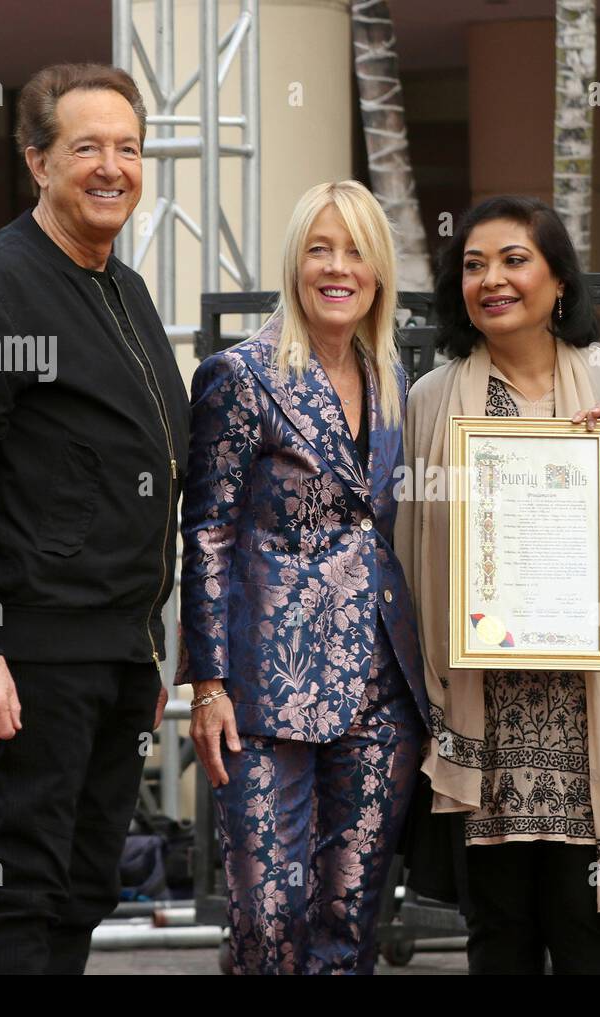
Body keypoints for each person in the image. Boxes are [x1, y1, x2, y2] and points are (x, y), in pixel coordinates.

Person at [0, 63, 190, 974]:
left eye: (129, 148)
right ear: (38, 162)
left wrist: (147, 649)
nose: (113, 167)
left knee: (85, 887)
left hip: (117, 649)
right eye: (87, 148)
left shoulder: (126, 291)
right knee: (24, 885)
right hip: (32, 651)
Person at [395, 195, 600, 975]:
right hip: (485, 727)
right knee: (498, 939)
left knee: (593, 936)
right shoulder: (432, 401)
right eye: (472, 265)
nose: (491, 280)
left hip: (595, 723)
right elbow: (408, 555)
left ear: (559, 279)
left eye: (513, 260)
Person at [178, 180, 429, 975]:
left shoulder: (393, 380)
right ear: (295, 262)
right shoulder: (240, 374)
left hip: (380, 691)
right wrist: (207, 683)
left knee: (349, 918)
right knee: (269, 916)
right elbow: (207, 531)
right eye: (320, 248)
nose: (337, 267)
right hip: (264, 690)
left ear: (379, 270)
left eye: (355, 250)